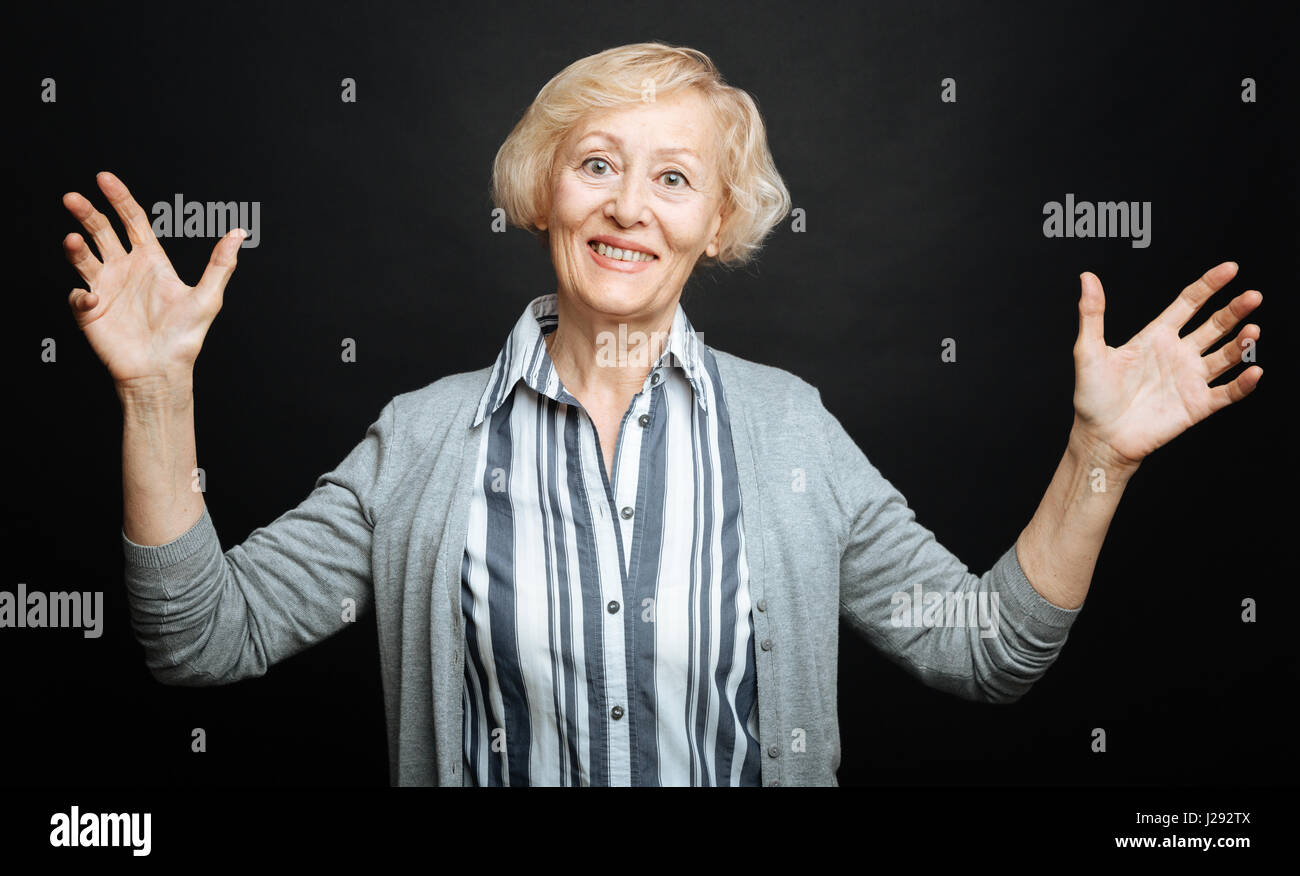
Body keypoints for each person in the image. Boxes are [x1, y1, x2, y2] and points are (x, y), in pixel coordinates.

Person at [59, 42, 1263, 786]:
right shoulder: (421, 440)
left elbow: (984, 649)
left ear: (718, 223)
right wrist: (157, 393)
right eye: (597, 162)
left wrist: (1097, 454)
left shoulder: (790, 432)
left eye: (674, 177)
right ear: (543, 190)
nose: (630, 205)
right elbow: (202, 641)